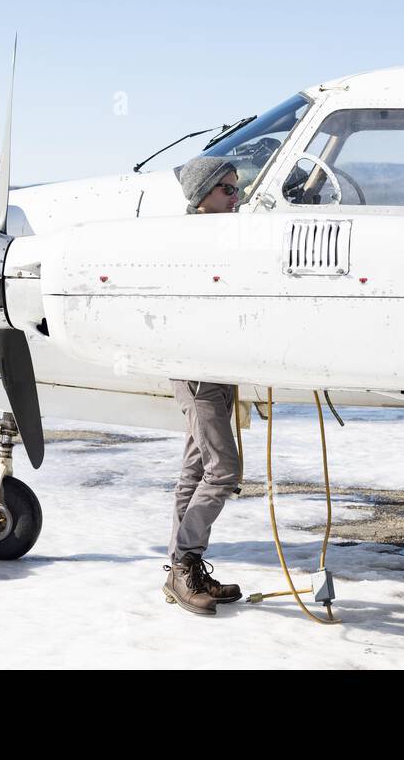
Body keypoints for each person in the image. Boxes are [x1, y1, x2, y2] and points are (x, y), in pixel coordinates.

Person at [162, 157, 244, 615]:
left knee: (195, 468)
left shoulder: (220, 237)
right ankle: (184, 564)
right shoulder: (189, 243)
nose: (237, 198)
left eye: (238, 189)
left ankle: (182, 569)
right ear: (203, 196)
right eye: (228, 191)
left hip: (215, 366)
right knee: (223, 469)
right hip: (197, 370)